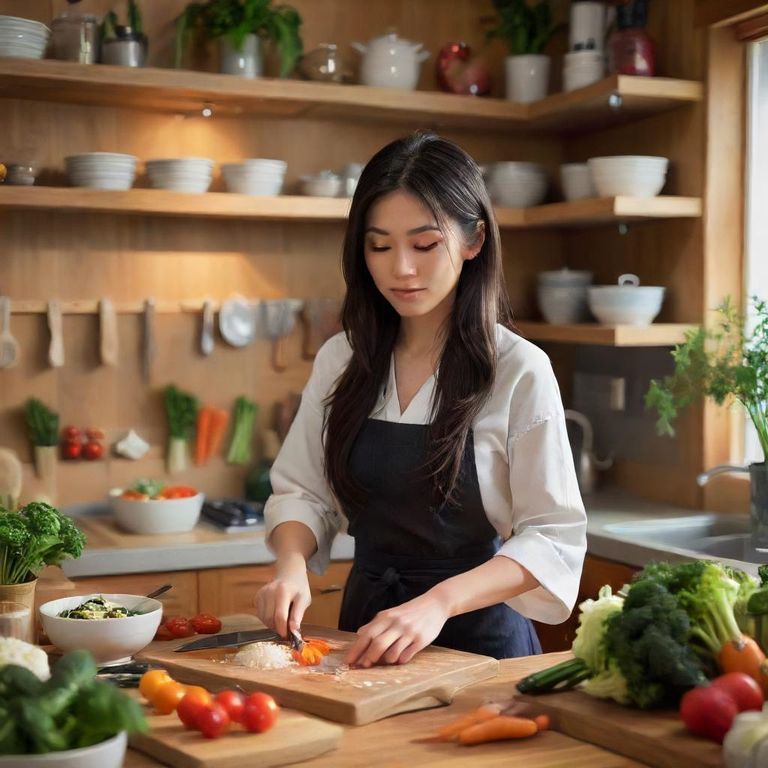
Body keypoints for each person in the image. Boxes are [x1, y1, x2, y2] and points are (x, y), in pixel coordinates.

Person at [255, 132, 587, 667]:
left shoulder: (519, 370)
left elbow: (552, 537)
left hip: (480, 646)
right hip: (365, 635)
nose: (400, 268)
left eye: (425, 244)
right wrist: (291, 563)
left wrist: (439, 602)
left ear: (474, 240)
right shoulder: (342, 359)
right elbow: (302, 491)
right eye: (379, 245)